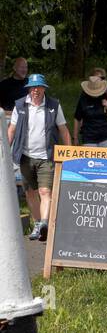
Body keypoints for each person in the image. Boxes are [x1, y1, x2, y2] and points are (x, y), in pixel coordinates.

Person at [7, 74, 70, 241]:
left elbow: (63, 129)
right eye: (32, 87)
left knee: (45, 191)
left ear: (44, 88)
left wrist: (69, 153)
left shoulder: (54, 105)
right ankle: (37, 225)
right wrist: (5, 151)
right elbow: (11, 130)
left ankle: (44, 224)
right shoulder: (20, 105)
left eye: (39, 87)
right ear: (29, 88)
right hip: (25, 156)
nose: (35, 90)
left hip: (46, 157)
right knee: (30, 193)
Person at [73, 73, 107, 147]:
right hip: (88, 136)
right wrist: (75, 137)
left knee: (104, 159)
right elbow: (77, 118)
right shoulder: (83, 98)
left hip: (106, 136)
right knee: (89, 159)